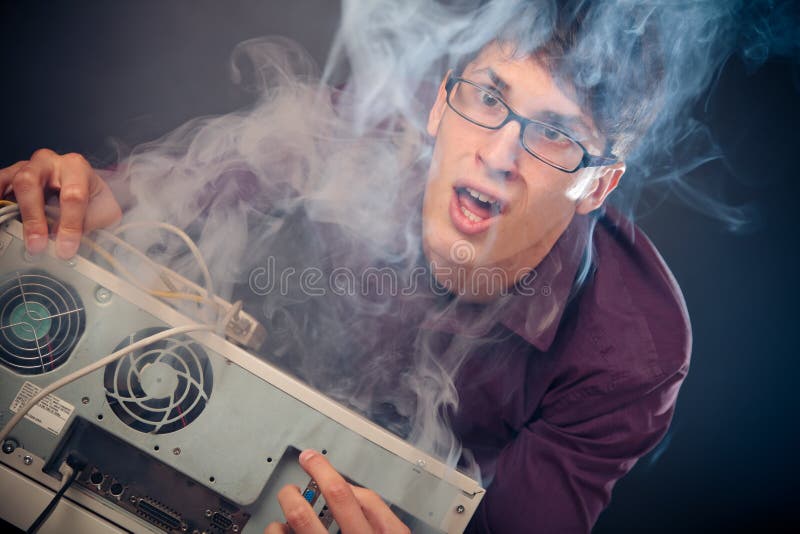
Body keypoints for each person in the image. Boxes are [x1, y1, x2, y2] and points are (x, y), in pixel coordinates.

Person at [0, 3, 692, 533]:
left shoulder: (631, 352)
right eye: (488, 97)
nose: (500, 154)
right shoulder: (342, 136)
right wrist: (77, 197)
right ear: (437, 105)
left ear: (597, 187)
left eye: (555, 133)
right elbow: (150, 195)